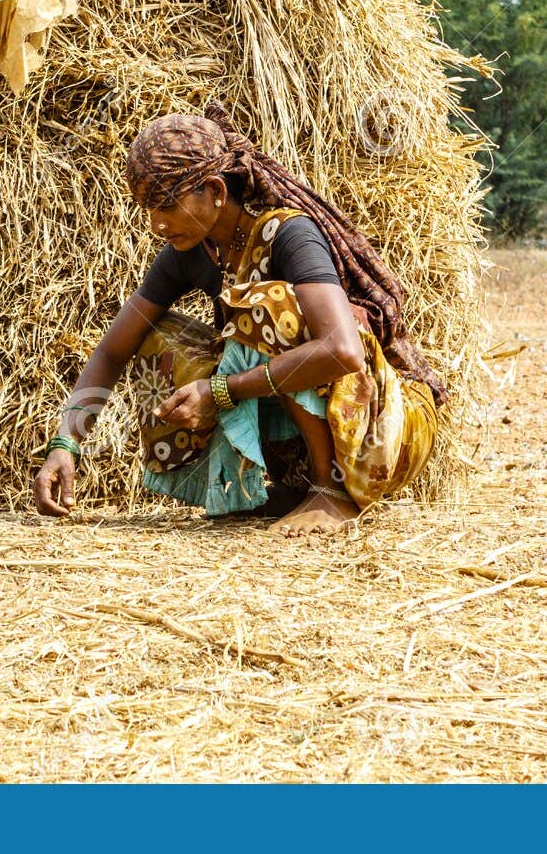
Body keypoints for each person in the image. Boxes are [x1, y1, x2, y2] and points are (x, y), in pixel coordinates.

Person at [31, 104, 444, 536]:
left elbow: (343, 351)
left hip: (384, 427)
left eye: (167, 204)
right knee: (160, 334)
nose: (156, 223)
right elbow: (114, 350)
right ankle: (280, 483)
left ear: (214, 190)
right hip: (327, 427)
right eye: (148, 208)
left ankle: (331, 489)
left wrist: (220, 391)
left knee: (265, 305)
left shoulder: (290, 234)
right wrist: (67, 443)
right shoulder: (191, 252)